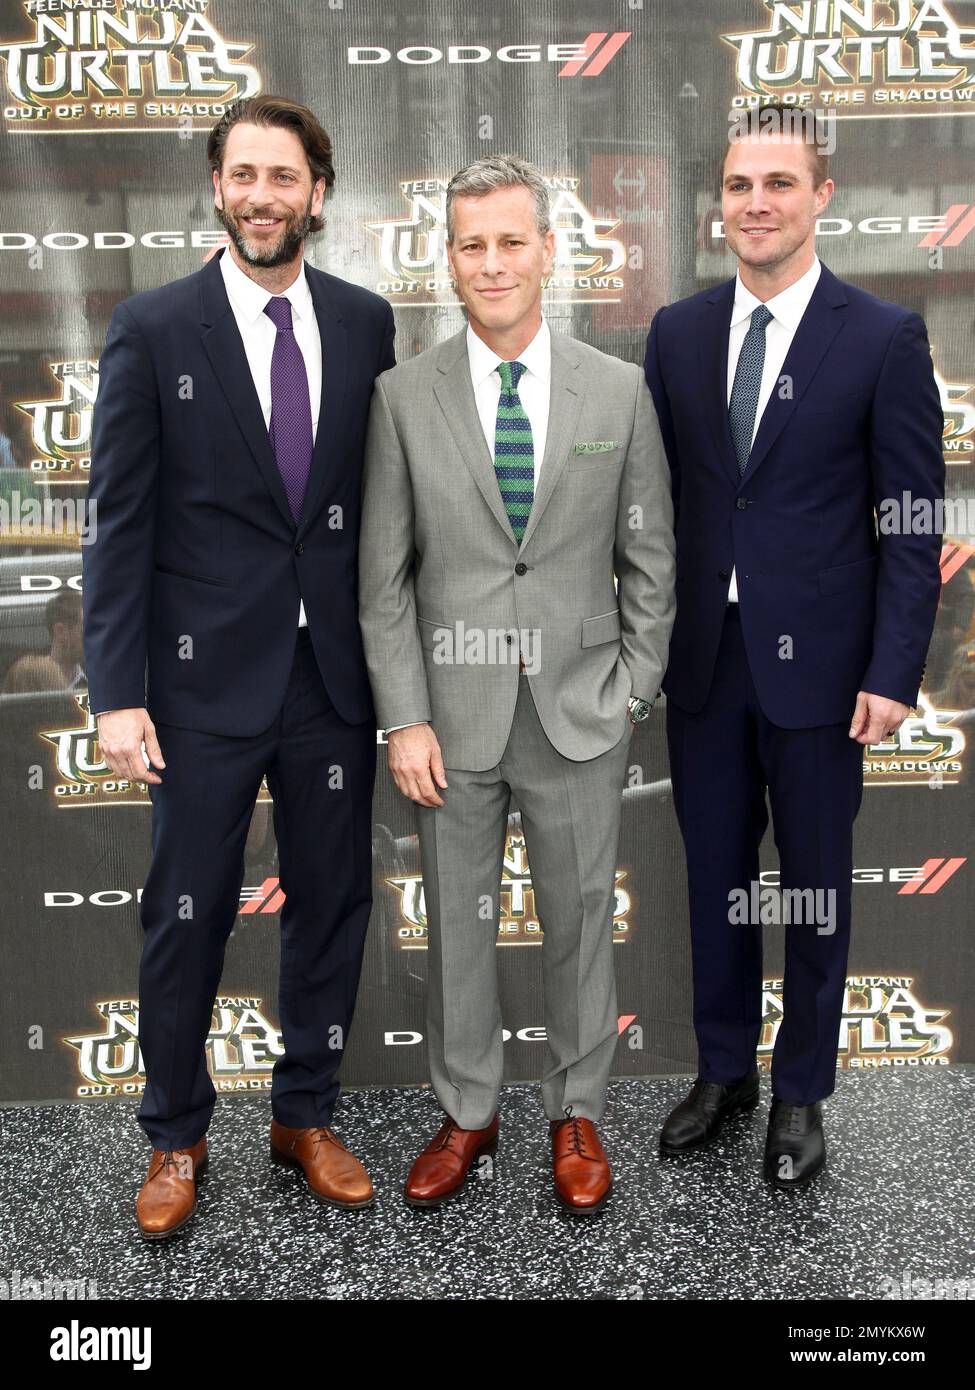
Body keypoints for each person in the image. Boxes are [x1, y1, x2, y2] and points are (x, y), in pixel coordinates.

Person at [82, 95, 395, 1238]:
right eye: (243, 175)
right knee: (187, 913)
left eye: (285, 176)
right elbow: (119, 526)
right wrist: (115, 689)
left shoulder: (366, 324)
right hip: (197, 685)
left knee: (331, 907)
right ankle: (175, 1133)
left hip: (331, 681)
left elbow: (374, 512)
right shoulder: (154, 328)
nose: (263, 195)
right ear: (217, 188)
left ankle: (303, 1113)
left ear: (319, 192)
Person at [359, 155, 675, 1214]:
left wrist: (632, 690)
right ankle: (468, 1111)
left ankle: (576, 1108)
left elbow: (652, 561)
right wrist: (404, 715)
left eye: (510, 240)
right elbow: (385, 581)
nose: (491, 263)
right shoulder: (403, 397)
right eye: (470, 244)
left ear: (548, 250)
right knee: (458, 921)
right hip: (450, 718)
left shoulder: (617, 390)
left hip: (582, 710)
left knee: (582, 914)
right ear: (447, 261)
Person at [644, 104, 944, 1188]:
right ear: (716, 201)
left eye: (778, 182)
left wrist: (894, 668)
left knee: (813, 885)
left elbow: (912, 518)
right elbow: (659, 502)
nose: (755, 203)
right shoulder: (676, 334)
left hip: (824, 673)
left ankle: (801, 1089)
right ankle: (723, 1071)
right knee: (715, 878)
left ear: (822, 195)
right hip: (704, 665)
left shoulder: (881, 336)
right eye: (737, 185)